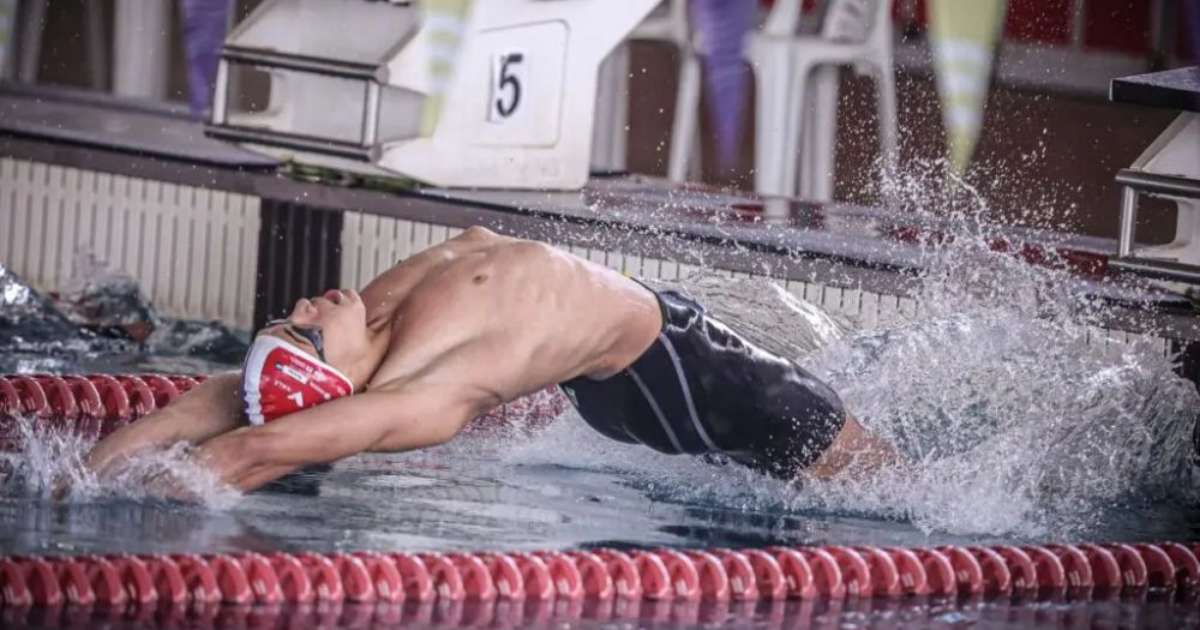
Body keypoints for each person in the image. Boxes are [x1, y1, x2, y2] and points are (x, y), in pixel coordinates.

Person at [80, 227, 893, 494]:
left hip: (633, 355)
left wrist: (74, 483)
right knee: (884, 479)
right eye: (303, 330)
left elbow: (213, 404)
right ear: (334, 378)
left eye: (287, 319)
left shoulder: (377, 313)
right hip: (672, 372)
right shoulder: (420, 392)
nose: (303, 307)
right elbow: (250, 446)